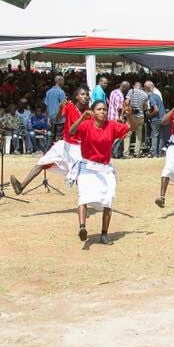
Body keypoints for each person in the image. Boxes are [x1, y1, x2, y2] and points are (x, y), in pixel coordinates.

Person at [70, 100, 130, 245]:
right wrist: (82, 117)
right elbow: (71, 131)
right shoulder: (85, 125)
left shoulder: (112, 126)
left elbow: (130, 127)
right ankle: (82, 227)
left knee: (108, 200)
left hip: (105, 169)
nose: (102, 112)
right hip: (87, 167)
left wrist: (130, 115)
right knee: (83, 196)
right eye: (99, 109)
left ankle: (104, 234)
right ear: (93, 111)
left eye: (104, 109)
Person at [10, 86, 90, 194]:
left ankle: (86, 198)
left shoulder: (89, 112)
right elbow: (57, 120)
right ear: (76, 96)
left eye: (87, 94)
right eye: (83, 94)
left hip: (77, 148)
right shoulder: (69, 105)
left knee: (78, 175)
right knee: (42, 162)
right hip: (64, 144)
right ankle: (21, 186)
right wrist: (61, 108)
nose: (85, 96)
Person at [125, 82, 149, 157]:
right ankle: (137, 152)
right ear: (141, 87)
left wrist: (129, 108)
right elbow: (145, 107)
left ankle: (126, 153)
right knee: (139, 135)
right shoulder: (145, 95)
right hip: (140, 116)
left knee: (127, 135)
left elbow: (126, 102)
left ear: (134, 86)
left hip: (131, 116)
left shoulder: (131, 91)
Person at [145, 81, 165, 158]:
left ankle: (154, 153)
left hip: (156, 119)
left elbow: (156, 110)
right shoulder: (157, 95)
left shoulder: (152, 97)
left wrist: (149, 116)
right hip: (162, 118)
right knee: (160, 136)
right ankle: (159, 152)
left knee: (154, 136)